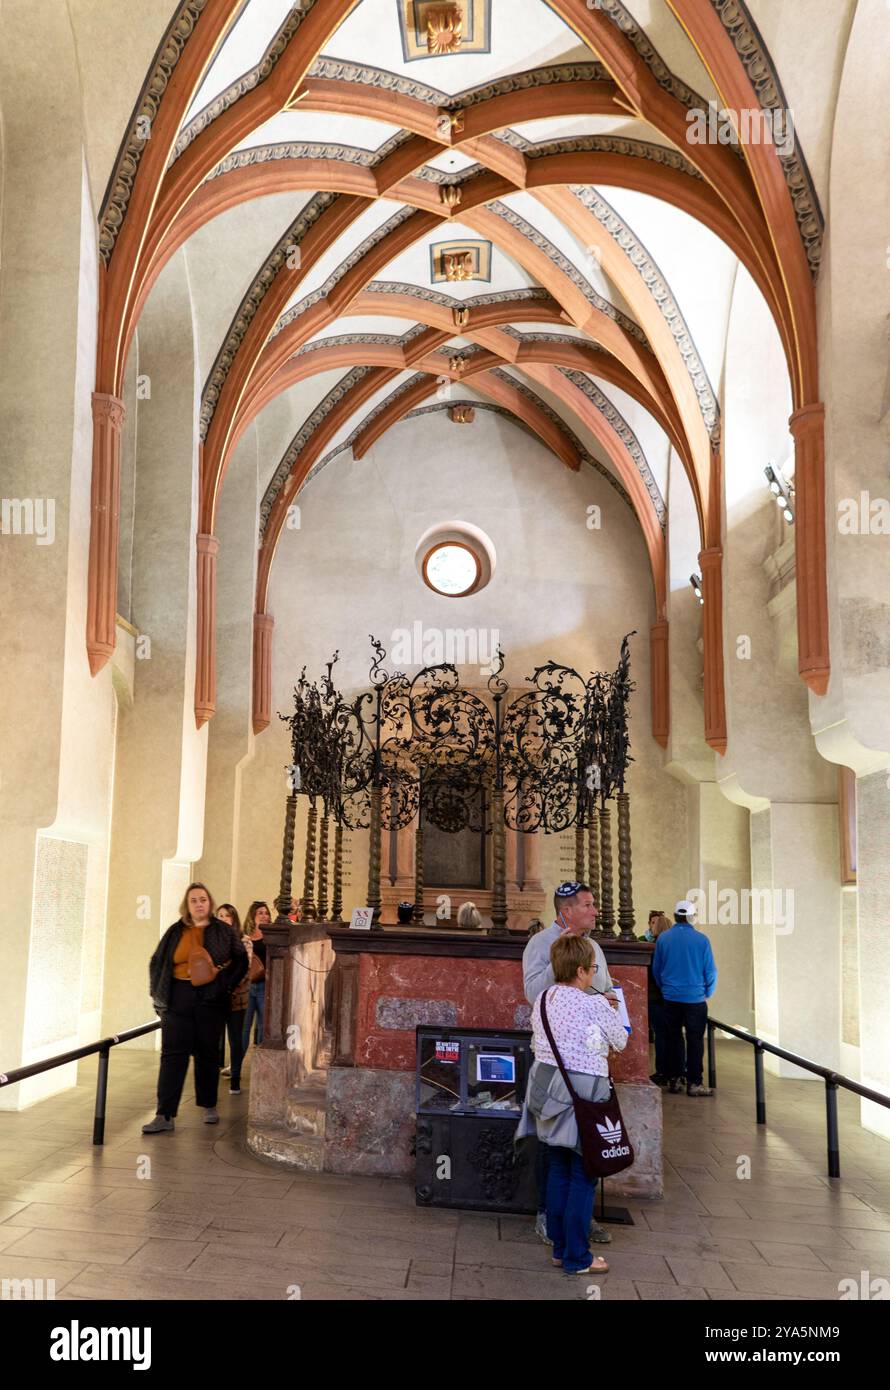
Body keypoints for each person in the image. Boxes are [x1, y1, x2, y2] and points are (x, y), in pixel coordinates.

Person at [516, 933, 628, 1275]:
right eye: (592, 968)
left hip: (546, 1090)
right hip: (584, 1094)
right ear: (581, 970)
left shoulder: (545, 999)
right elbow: (621, 1041)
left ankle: (560, 1248)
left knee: (558, 1170)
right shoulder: (594, 1004)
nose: (594, 974)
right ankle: (578, 1257)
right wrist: (610, 1009)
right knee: (584, 1174)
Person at [522, 882, 614, 1246]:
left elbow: (604, 987)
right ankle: (548, 1215)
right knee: (553, 1142)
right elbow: (533, 995)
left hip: (591, 1060)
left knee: (587, 1140)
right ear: (567, 911)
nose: (595, 911)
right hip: (555, 1061)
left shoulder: (595, 946)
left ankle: (581, 1217)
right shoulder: (540, 944)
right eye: (588, 905)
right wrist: (564, 954)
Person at [143, 883, 247, 1132]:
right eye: (194, 900)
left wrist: (225, 986)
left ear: (209, 903)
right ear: (187, 905)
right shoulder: (175, 931)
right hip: (177, 997)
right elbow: (157, 961)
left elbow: (241, 960)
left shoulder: (223, 930)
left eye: (203, 899)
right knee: (172, 1056)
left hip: (210, 998)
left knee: (207, 1054)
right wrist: (158, 995)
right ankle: (164, 1114)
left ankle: (209, 1104)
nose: (199, 904)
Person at [652, 899, 717, 1097]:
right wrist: (708, 992)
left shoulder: (663, 938)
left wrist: (666, 989)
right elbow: (710, 971)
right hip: (695, 999)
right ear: (691, 916)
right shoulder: (702, 940)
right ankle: (694, 1083)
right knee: (695, 1040)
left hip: (671, 998)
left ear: (675, 916)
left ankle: (675, 1079)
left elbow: (657, 969)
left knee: (673, 1038)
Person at [647, 912, 684, 1086]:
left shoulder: (657, 946)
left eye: (653, 923)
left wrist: (663, 988)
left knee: (662, 1035)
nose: (650, 926)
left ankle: (663, 1071)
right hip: (676, 996)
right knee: (675, 1035)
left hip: (658, 996)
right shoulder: (676, 946)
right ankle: (679, 1071)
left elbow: (656, 972)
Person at [217, 903, 247, 1094]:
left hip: (236, 999)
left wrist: (227, 984)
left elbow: (245, 970)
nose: (223, 919)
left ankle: (235, 1077)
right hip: (216, 999)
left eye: (227, 916)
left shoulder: (244, 941)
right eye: (219, 915)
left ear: (234, 919)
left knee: (235, 1040)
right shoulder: (212, 940)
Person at [242, 900, 270, 1052]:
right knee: (244, 1027)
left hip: (264, 985)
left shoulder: (271, 935)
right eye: (260, 913)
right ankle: (236, 1065)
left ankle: (259, 1062)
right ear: (252, 916)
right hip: (247, 986)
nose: (264, 916)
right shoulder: (246, 936)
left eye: (266, 913)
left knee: (262, 1026)